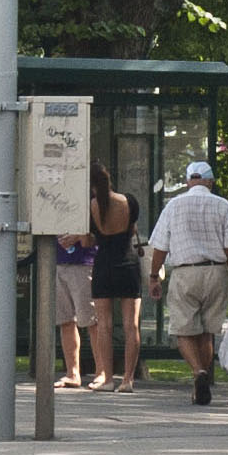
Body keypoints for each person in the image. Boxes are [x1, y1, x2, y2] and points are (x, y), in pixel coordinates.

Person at [146, 160, 228, 405]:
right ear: (210, 181)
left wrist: (154, 276)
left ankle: (198, 372)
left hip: (185, 272)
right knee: (207, 331)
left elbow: (160, 247)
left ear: (187, 181)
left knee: (183, 329)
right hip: (216, 272)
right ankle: (202, 378)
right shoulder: (224, 206)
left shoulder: (173, 206)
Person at [85, 161, 144, 392]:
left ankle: (108, 378)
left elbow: (88, 240)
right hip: (128, 264)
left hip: (104, 265)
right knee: (131, 325)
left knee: (104, 325)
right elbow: (132, 230)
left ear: (91, 185)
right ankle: (128, 379)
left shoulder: (91, 207)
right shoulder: (128, 201)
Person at [49, 235, 96, 387]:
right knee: (65, 321)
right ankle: (72, 373)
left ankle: (102, 372)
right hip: (58, 260)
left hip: (85, 262)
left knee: (92, 321)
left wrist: (79, 236)